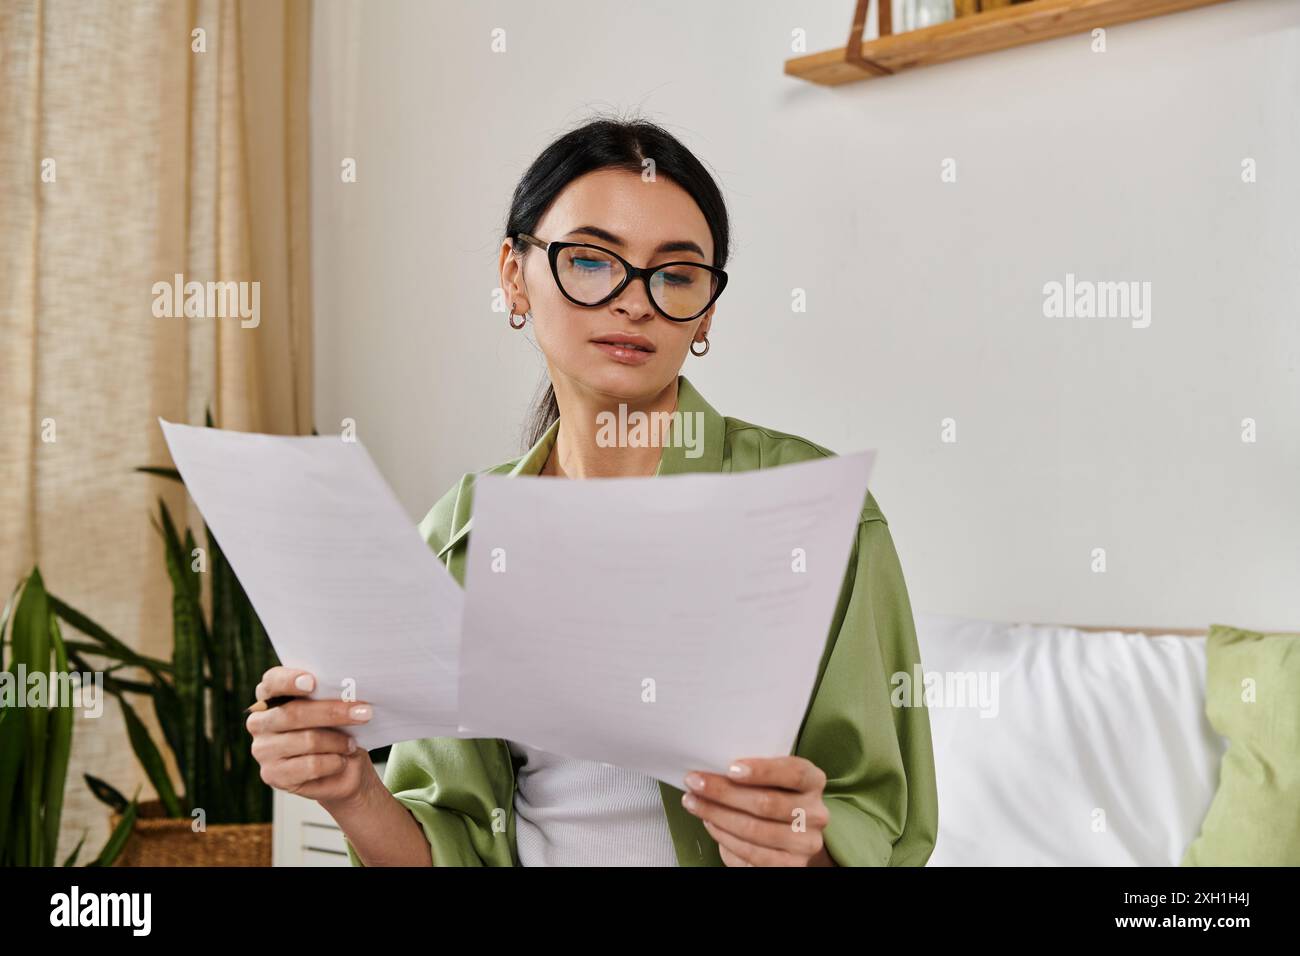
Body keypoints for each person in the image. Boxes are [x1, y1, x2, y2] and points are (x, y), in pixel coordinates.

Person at [247, 116, 938, 866]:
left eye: (676, 275)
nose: (634, 301)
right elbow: (454, 844)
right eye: (591, 261)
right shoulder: (463, 532)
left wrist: (799, 842)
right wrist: (348, 790)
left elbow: (882, 821)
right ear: (515, 274)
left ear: (706, 309)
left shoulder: (813, 510)